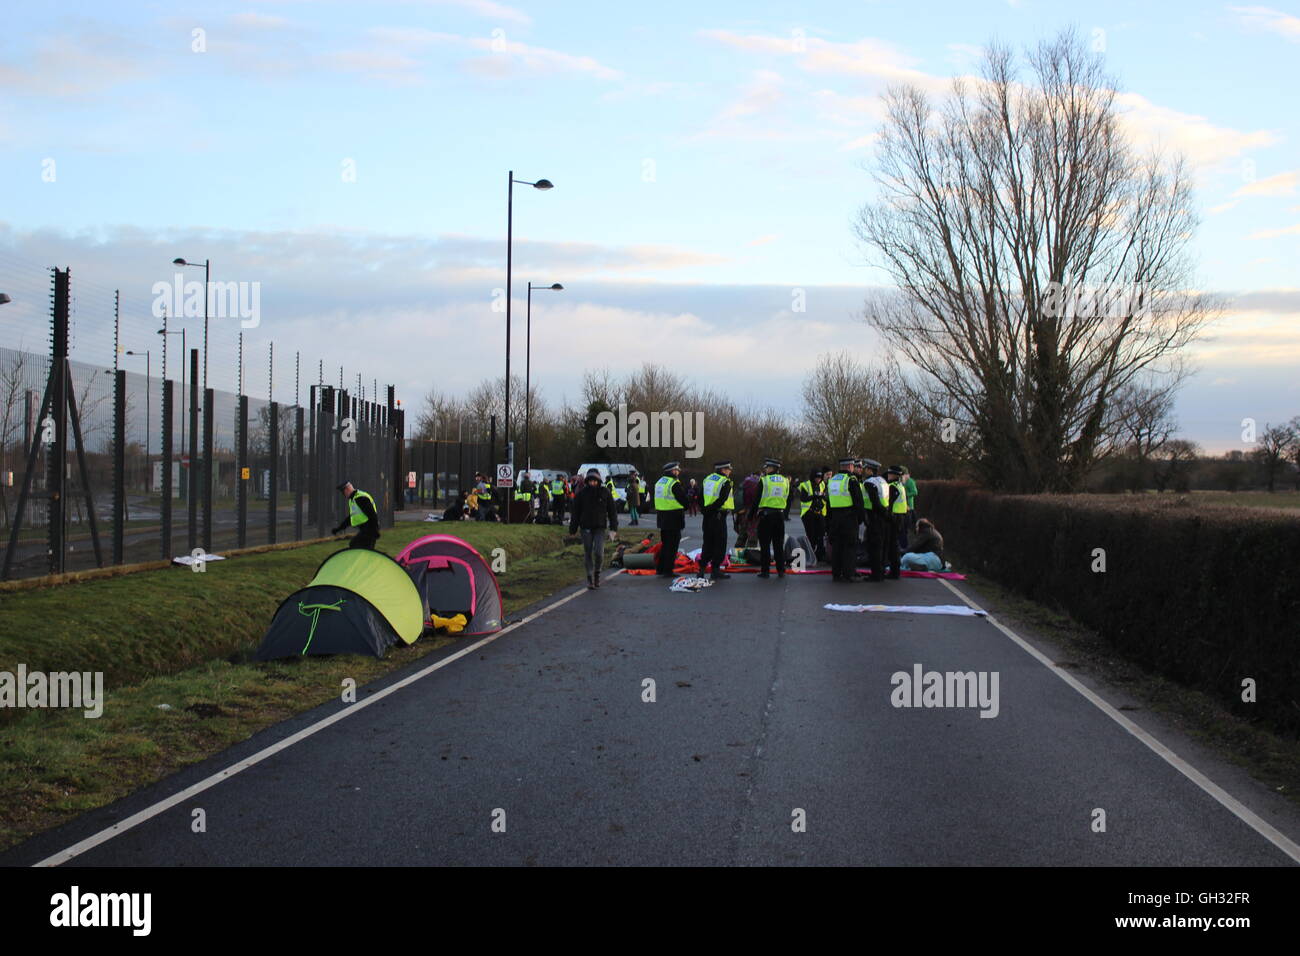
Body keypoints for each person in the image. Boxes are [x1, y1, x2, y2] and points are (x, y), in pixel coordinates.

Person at [569, 468, 618, 588]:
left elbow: (612, 511)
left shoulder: (605, 492)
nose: (593, 483)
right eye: (590, 481)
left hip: (600, 527)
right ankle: (590, 577)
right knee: (588, 551)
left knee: (599, 553)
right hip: (585, 527)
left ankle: (597, 572)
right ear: (587, 481)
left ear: (598, 480)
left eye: (595, 481)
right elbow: (575, 512)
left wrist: (613, 528)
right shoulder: (581, 494)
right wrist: (573, 529)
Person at [748, 458, 791, 578]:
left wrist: (751, 516)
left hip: (766, 516)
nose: (765, 469)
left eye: (767, 467)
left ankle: (765, 571)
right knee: (778, 544)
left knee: (765, 544)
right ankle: (781, 570)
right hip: (779, 515)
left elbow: (756, 500)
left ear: (772, 468)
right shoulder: (785, 480)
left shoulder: (764, 480)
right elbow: (787, 496)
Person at [825, 457, 865, 582]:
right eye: (853, 466)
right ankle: (849, 573)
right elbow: (858, 501)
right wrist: (860, 518)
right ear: (849, 466)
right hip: (849, 517)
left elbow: (828, 502)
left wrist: (829, 521)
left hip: (835, 518)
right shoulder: (851, 480)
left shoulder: (832, 480)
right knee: (849, 546)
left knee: (837, 546)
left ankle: (836, 573)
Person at [699, 460, 735, 580]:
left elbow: (700, 496)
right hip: (718, 516)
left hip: (707, 516)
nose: (730, 471)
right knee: (720, 543)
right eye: (729, 469)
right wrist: (711, 510)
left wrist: (704, 510)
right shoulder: (725, 481)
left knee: (707, 542)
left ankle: (702, 569)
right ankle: (715, 570)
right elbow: (722, 499)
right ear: (723, 470)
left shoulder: (707, 479)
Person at [653, 461, 689, 576]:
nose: (678, 472)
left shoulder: (660, 482)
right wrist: (687, 505)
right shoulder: (674, 483)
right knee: (672, 545)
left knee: (665, 544)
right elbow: (683, 499)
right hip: (673, 517)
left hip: (662, 517)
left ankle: (660, 568)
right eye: (677, 470)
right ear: (672, 471)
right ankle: (668, 570)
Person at [859, 458, 888, 582]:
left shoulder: (869, 483)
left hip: (874, 517)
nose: (864, 471)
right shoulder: (882, 481)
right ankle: (880, 571)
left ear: (870, 470)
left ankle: (876, 574)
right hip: (882, 518)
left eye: (866, 469)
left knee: (874, 547)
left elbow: (875, 502)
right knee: (880, 546)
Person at [332, 480, 379, 550]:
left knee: (355, 544)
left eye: (343, 492)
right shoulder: (353, 499)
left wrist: (375, 530)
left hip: (370, 528)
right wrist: (339, 528)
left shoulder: (360, 498)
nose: (343, 494)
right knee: (362, 548)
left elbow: (372, 514)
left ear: (347, 489)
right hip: (366, 529)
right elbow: (351, 518)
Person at [797, 466, 830, 564]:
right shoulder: (805, 485)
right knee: (811, 536)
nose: (818, 480)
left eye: (820, 478)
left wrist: (822, 496)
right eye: (816, 478)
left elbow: (825, 497)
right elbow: (803, 499)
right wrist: (814, 496)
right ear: (812, 477)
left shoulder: (823, 484)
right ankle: (810, 555)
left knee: (821, 535)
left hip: (819, 513)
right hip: (808, 513)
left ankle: (820, 555)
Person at [883, 465, 909, 579]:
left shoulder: (892, 487)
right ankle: (895, 570)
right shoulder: (900, 486)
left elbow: (889, 504)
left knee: (892, 545)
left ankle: (894, 571)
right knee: (895, 544)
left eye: (889, 474)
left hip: (894, 518)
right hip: (900, 517)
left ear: (894, 475)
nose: (888, 476)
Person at [898, 466, 918, 551]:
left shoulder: (910, 481)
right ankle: (902, 545)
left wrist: (906, 495)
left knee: (906, 528)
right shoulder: (901, 481)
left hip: (909, 507)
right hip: (902, 507)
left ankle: (906, 547)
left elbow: (915, 492)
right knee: (902, 528)